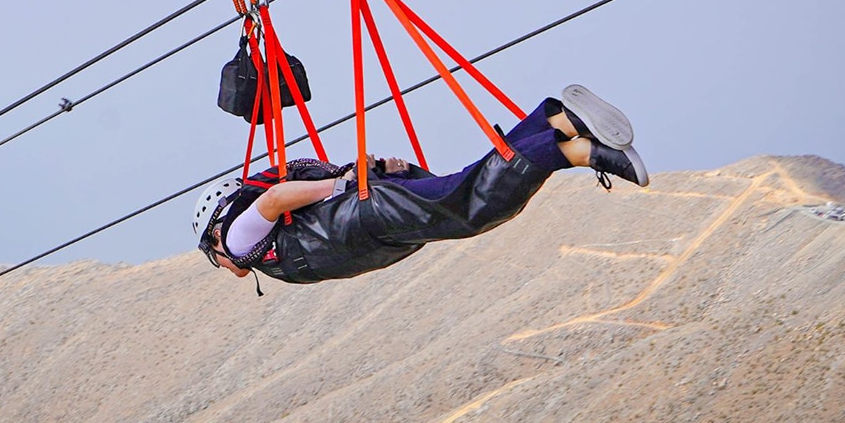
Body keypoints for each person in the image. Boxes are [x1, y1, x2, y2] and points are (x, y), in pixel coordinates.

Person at [193, 85, 648, 287]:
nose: (224, 267)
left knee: (472, 208)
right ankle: (557, 120)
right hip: (372, 216)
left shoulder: (236, 238)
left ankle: (579, 151)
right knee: (467, 187)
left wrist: (343, 184)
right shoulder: (265, 250)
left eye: (214, 260)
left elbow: (275, 198)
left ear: (215, 235)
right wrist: (358, 177)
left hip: (369, 216)